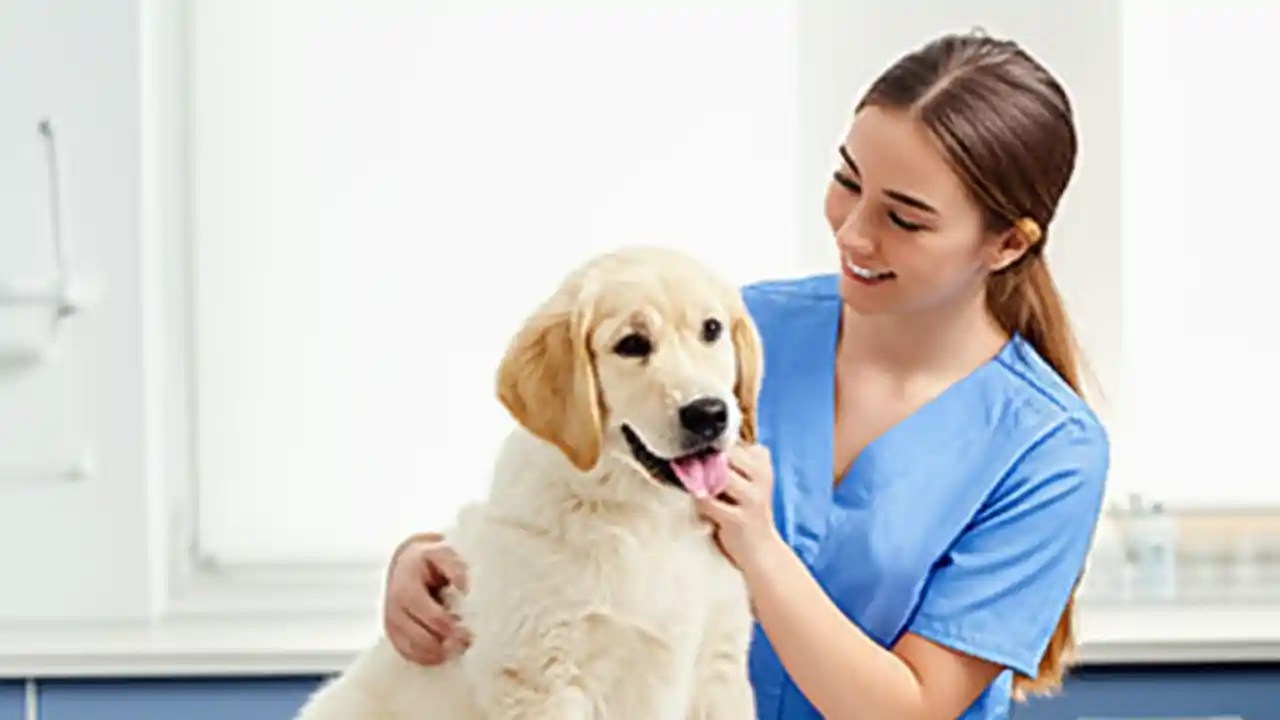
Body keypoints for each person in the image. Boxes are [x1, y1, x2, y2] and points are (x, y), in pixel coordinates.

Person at [381, 31, 1109, 719]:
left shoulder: (1049, 450)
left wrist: (760, 548)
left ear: (1007, 243)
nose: (853, 233)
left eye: (905, 219)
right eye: (847, 181)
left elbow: (909, 707)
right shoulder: (725, 334)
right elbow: (569, 496)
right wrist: (433, 567)